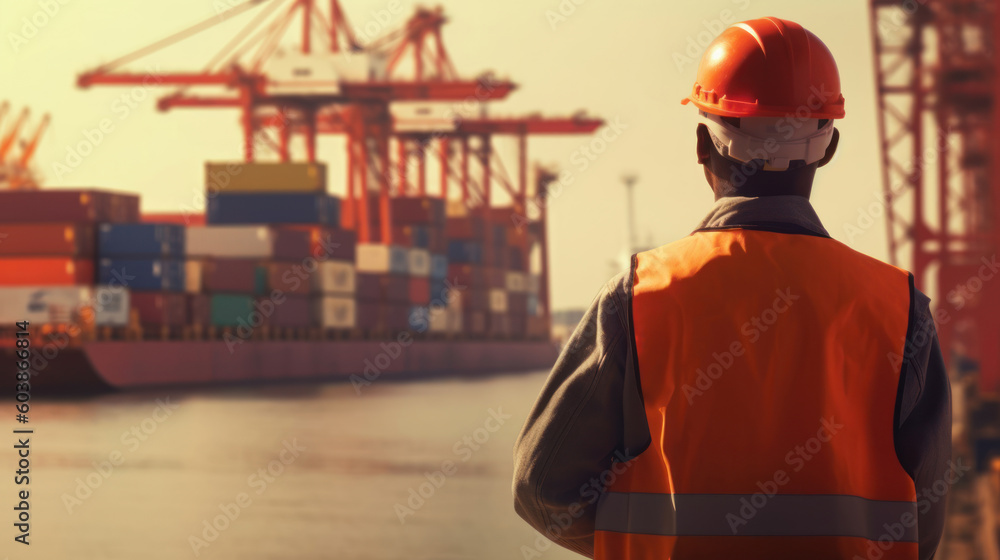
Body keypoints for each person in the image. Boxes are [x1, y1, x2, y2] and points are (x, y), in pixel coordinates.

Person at [512, 17, 952, 560]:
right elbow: (923, 519)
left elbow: (542, 490)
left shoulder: (641, 296)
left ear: (703, 143)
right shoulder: (899, 308)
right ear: (830, 146)